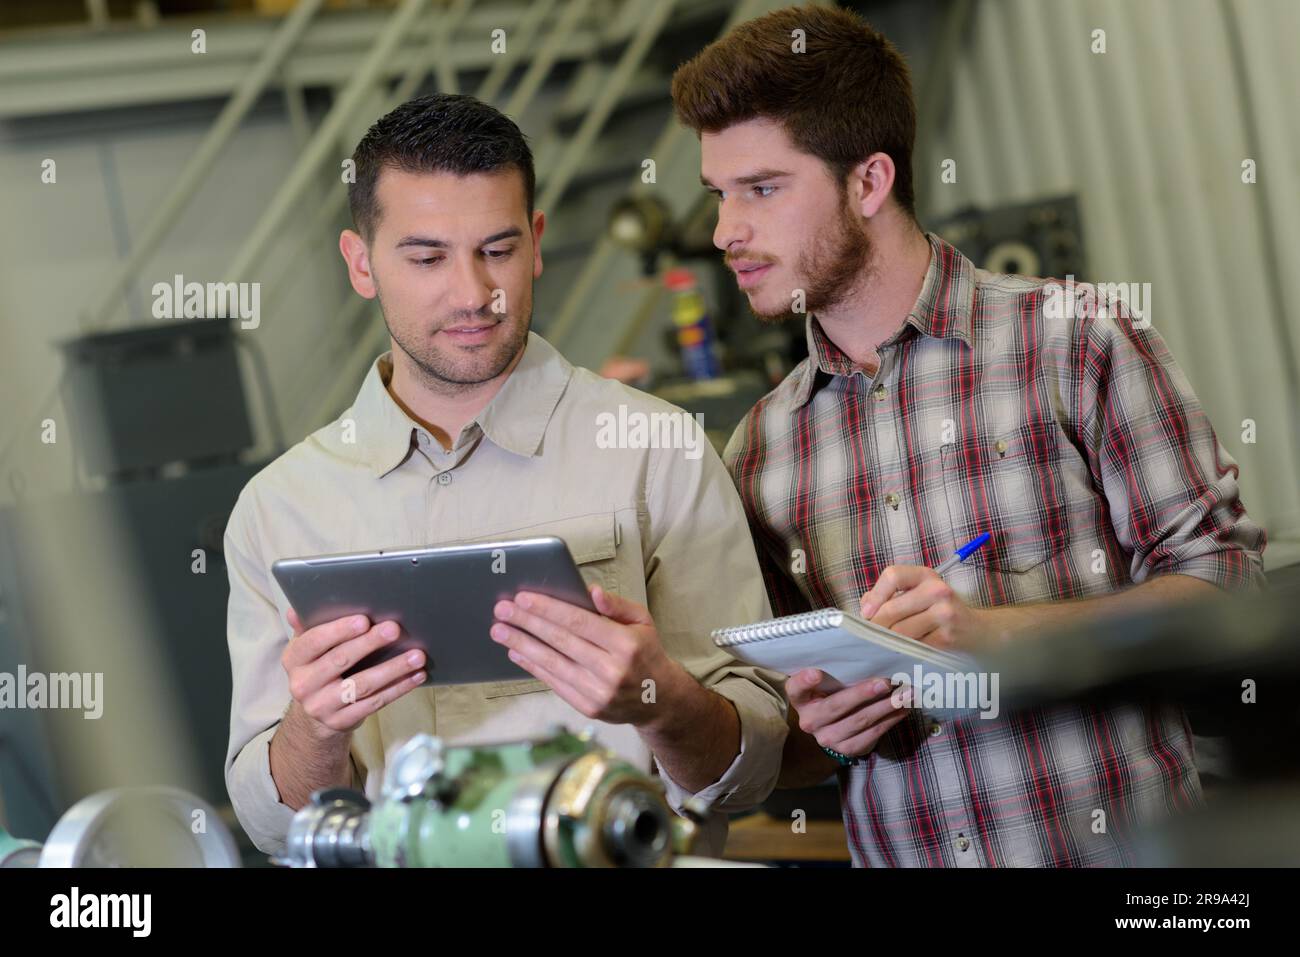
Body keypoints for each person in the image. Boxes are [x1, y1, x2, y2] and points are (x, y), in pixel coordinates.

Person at [671, 5, 1266, 866]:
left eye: (761, 189)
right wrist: (825, 732)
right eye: (717, 195)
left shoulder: (1076, 339)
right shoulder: (763, 448)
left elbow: (1230, 588)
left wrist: (997, 633)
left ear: (869, 182)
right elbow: (791, 740)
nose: (726, 231)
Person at [223, 93, 786, 857]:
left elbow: (752, 770)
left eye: (498, 249)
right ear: (361, 263)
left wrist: (657, 696)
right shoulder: (280, 509)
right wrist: (316, 726)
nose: (471, 293)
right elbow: (273, 826)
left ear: (538, 242)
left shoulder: (659, 448)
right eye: (426, 257)